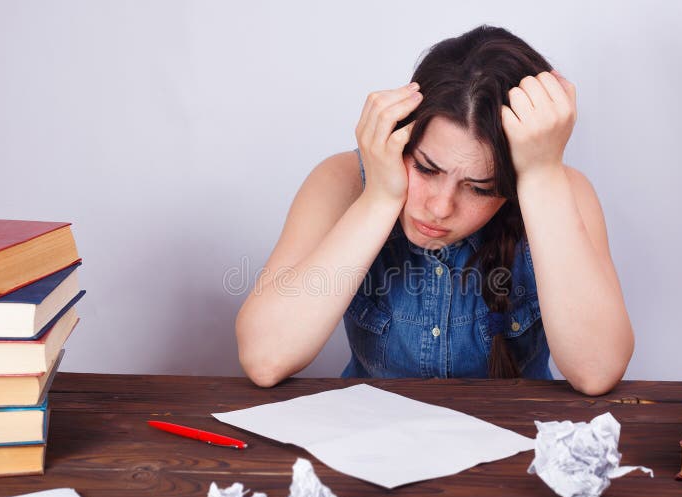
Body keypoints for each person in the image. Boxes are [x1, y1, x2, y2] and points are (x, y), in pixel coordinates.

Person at [235, 25, 634, 395]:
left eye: (479, 188)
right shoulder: (341, 181)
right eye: (426, 168)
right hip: (367, 443)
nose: (441, 207)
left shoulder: (557, 190)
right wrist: (379, 198)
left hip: (513, 450)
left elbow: (596, 370)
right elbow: (264, 358)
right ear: (401, 138)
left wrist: (543, 177)